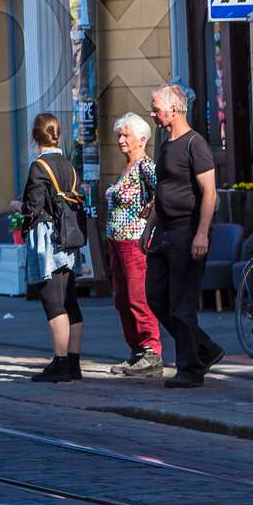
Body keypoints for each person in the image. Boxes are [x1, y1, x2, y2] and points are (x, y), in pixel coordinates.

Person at [147, 84, 225, 388]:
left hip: (186, 232)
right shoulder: (166, 144)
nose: (152, 114)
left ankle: (190, 369)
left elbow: (209, 193)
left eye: (156, 108)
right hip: (164, 232)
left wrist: (201, 234)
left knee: (181, 304)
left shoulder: (196, 145)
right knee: (156, 296)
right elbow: (162, 191)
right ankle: (204, 348)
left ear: (174, 109)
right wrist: (151, 226)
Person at [18, 114, 86, 382]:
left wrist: (18, 207)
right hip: (68, 239)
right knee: (71, 300)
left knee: (53, 303)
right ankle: (74, 363)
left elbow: (33, 208)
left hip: (48, 239)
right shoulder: (69, 165)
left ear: (35, 137)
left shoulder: (39, 166)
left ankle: (59, 364)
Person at [105, 113, 162, 376]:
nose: (121, 140)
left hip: (135, 241)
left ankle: (151, 352)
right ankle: (137, 350)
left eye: (126, 135)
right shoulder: (127, 167)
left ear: (141, 139)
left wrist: (150, 209)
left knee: (138, 296)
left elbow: (163, 193)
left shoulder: (145, 166)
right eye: (119, 135)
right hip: (116, 240)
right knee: (121, 298)